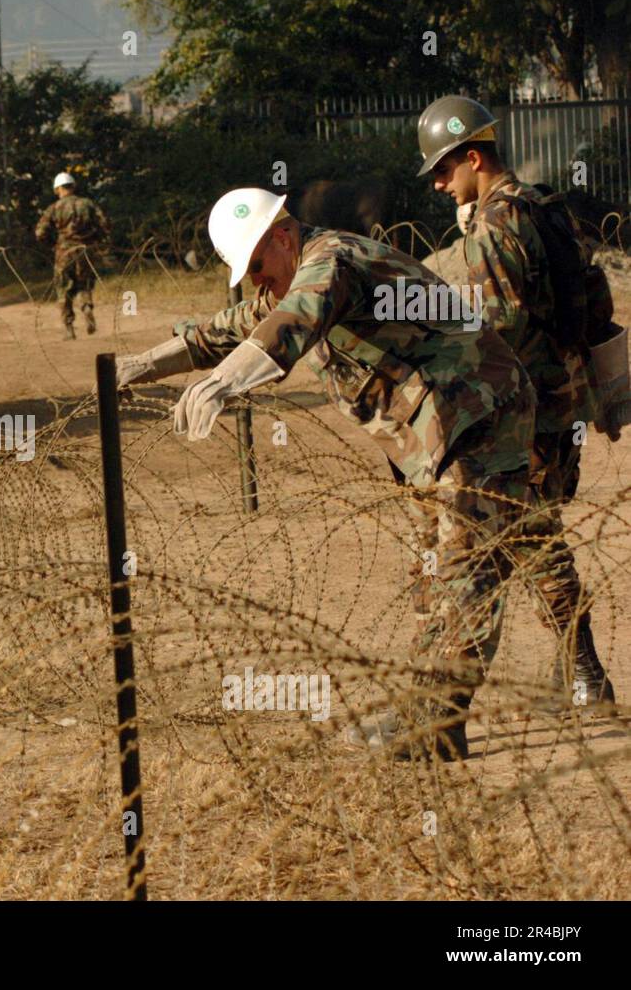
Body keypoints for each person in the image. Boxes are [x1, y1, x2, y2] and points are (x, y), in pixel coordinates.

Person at [117, 187, 536, 760]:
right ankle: (426, 710)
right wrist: (144, 364)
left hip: (479, 417)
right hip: (435, 436)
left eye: (259, 267)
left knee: (465, 570)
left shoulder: (332, 262)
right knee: (433, 575)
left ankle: (438, 722)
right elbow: (228, 328)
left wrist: (226, 381)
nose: (257, 282)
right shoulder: (294, 275)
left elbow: (291, 321)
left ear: (284, 237)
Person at [418, 94, 617, 708]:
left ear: (473, 157)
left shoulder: (500, 222)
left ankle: (447, 705)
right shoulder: (542, 205)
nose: (440, 186)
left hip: (522, 410)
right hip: (558, 400)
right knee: (533, 536)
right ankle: (582, 674)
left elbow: (496, 324)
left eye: (443, 172)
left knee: (516, 540)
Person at [35, 171, 110, 340]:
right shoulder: (87, 204)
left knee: (64, 290)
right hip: (84, 250)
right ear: (73, 186)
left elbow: (40, 232)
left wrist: (52, 244)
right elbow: (105, 224)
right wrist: (95, 240)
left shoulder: (54, 208)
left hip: (64, 252)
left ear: (57, 189)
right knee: (85, 284)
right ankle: (86, 307)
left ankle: (69, 328)